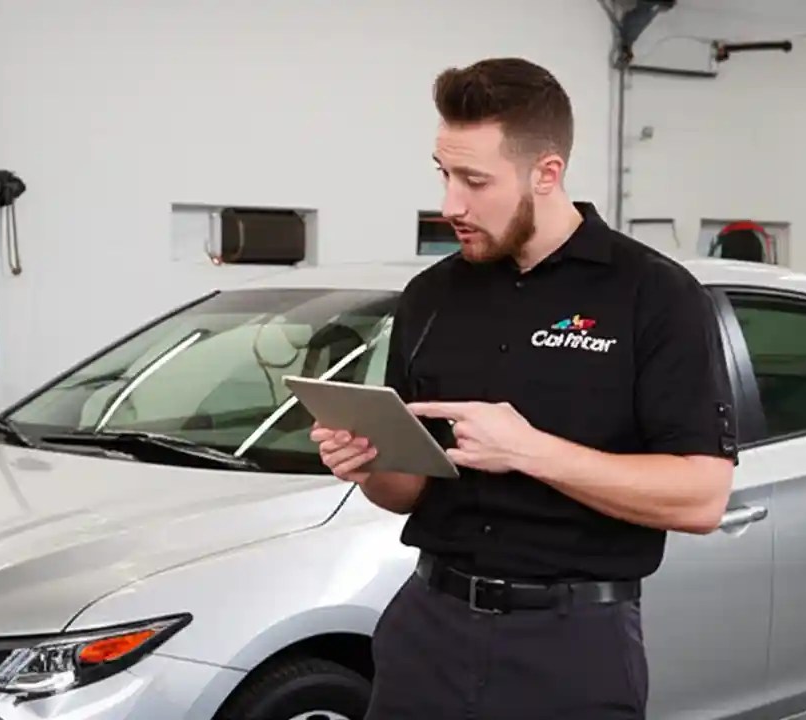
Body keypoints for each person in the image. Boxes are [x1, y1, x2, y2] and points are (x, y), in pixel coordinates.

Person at [311, 58, 737, 719]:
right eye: (444, 174)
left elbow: (701, 498)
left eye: (475, 181)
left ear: (547, 172)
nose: (451, 205)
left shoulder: (654, 295)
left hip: (573, 646)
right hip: (427, 628)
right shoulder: (430, 296)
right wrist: (368, 464)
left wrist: (530, 452)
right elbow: (408, 492)